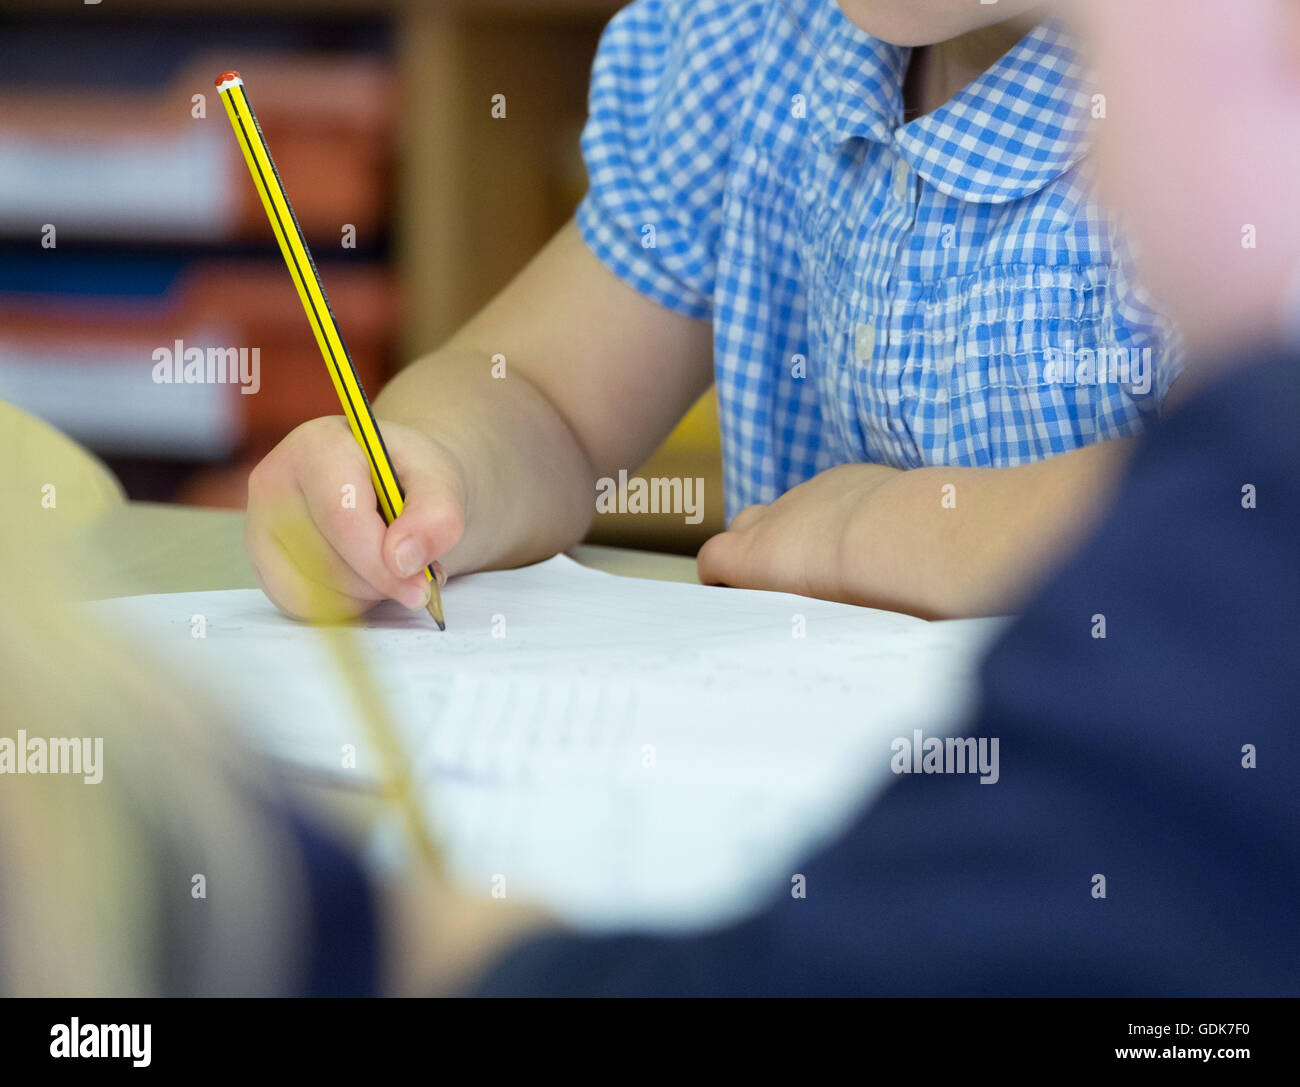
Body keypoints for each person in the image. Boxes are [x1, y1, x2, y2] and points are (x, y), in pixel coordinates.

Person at [244, 0, 1182, 624]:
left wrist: (886, 532)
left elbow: (1246, 522)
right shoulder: (757, 42)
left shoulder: (1237, 125)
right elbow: (544, 394)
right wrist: (428, 469)